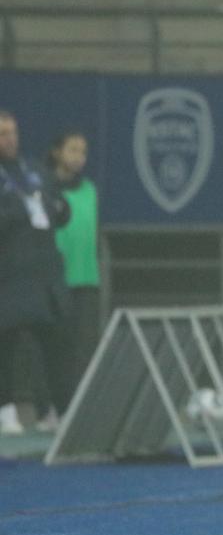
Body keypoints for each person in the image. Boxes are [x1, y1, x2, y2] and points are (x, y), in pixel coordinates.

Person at [0, 111, 72, 436]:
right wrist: (19, 211)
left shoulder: (35, 171)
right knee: (7, 346)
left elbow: (60, 207)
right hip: (9, 276)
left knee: (54, 344)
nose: (10, 139)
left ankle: (53, 410)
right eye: (3, 133)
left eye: (13, 132)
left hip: (44, 276)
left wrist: (56, 208)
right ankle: (6, 410)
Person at [39, 130, 100, 430]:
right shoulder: (44, 188)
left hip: (86, 280)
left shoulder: (90, 189)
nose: (79, 157)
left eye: (83, 151)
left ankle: (78, 410)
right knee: (55, 348)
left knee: (83, 348)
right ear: (57, 153)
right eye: (73, 150)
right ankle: (51, 408)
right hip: (54, 281)